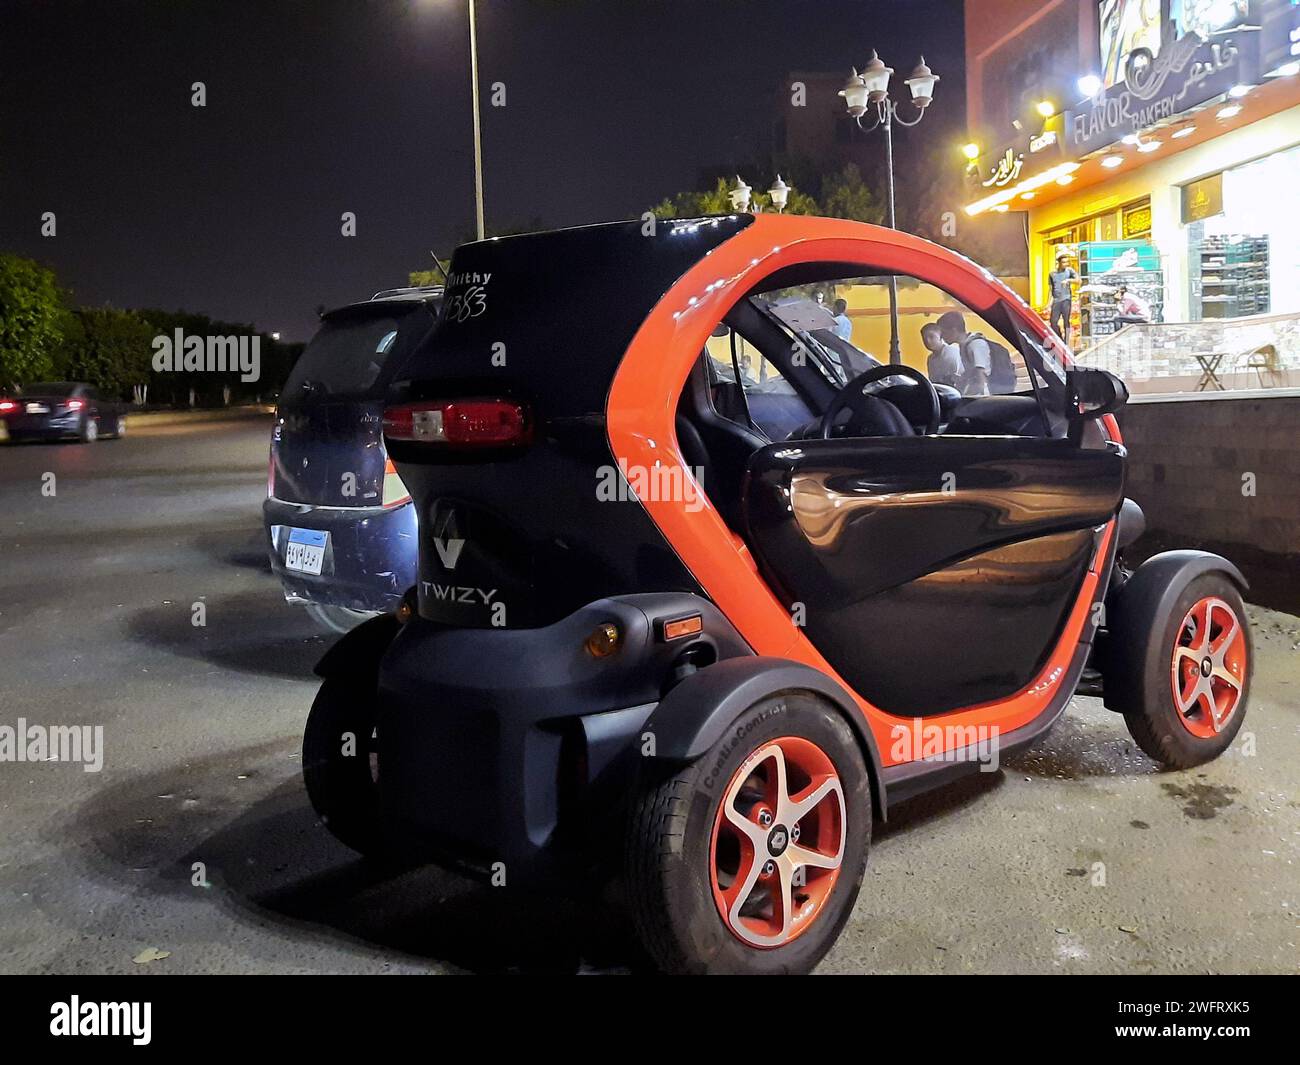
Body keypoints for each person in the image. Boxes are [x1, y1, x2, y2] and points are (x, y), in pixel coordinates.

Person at [937, 311, 991, 396]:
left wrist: (965, 398)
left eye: (943, 333)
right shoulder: (964, 346)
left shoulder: (975, 345)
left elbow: (981, 379)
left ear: (954, 330)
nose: (941, 337)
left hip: (985, 396)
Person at [920, 322, 963, 389]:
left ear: (941, 337)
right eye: (924, 338)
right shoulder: (930, 359)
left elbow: (954, 378)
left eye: (931, 337)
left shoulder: (951, 351)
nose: (927, 341)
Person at [1048, 252, 1077, 341]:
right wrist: (1048, 303)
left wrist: (1068, 280)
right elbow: (1050, 289)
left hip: (1066, 300)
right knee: (1053, 322)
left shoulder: (1069, 271)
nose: (1066, 264)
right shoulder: (1052, 274)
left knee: (1066, 321)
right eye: (1064, 262)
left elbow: (1078, 280)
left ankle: (1066, 340)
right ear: (1059, 263)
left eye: (1067, 262)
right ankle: (1059, 337)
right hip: (1056, 300)